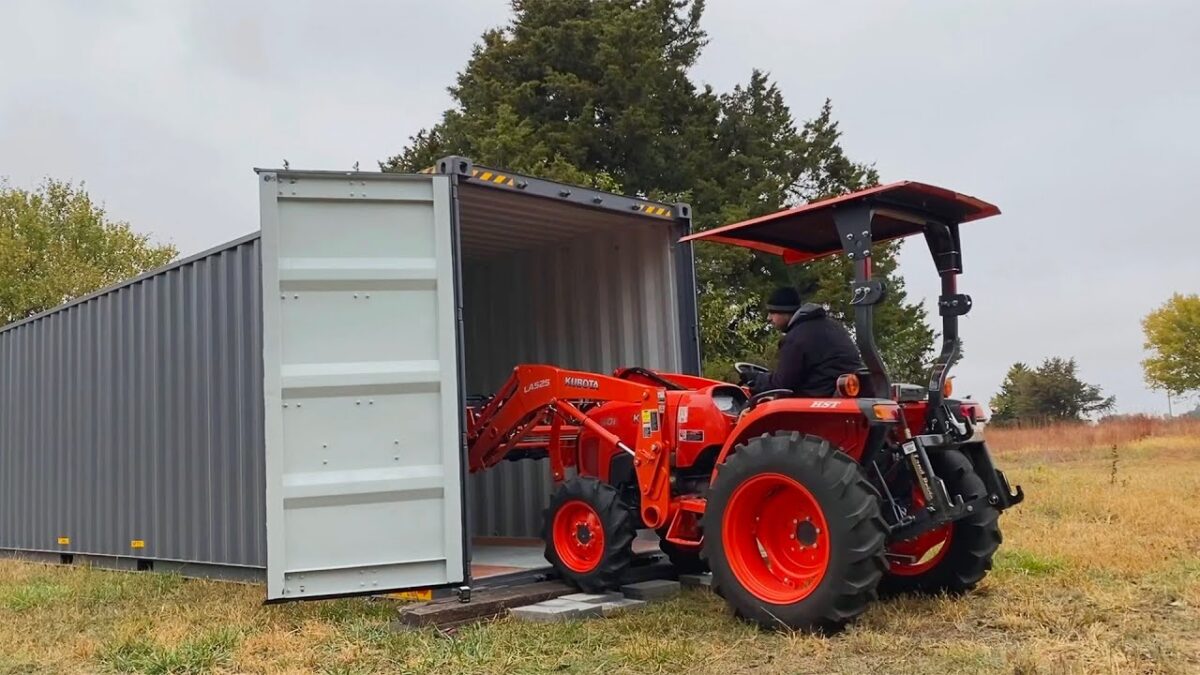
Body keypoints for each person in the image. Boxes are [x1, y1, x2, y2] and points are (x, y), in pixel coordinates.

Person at [744, 287, 865, 397]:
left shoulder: (797, 337)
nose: (769, 318)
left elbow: (782, 384)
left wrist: (756, 379)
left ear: (785, 312)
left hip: (818, 398)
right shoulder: (831, 326)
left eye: (772, 312)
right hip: (838, 393)